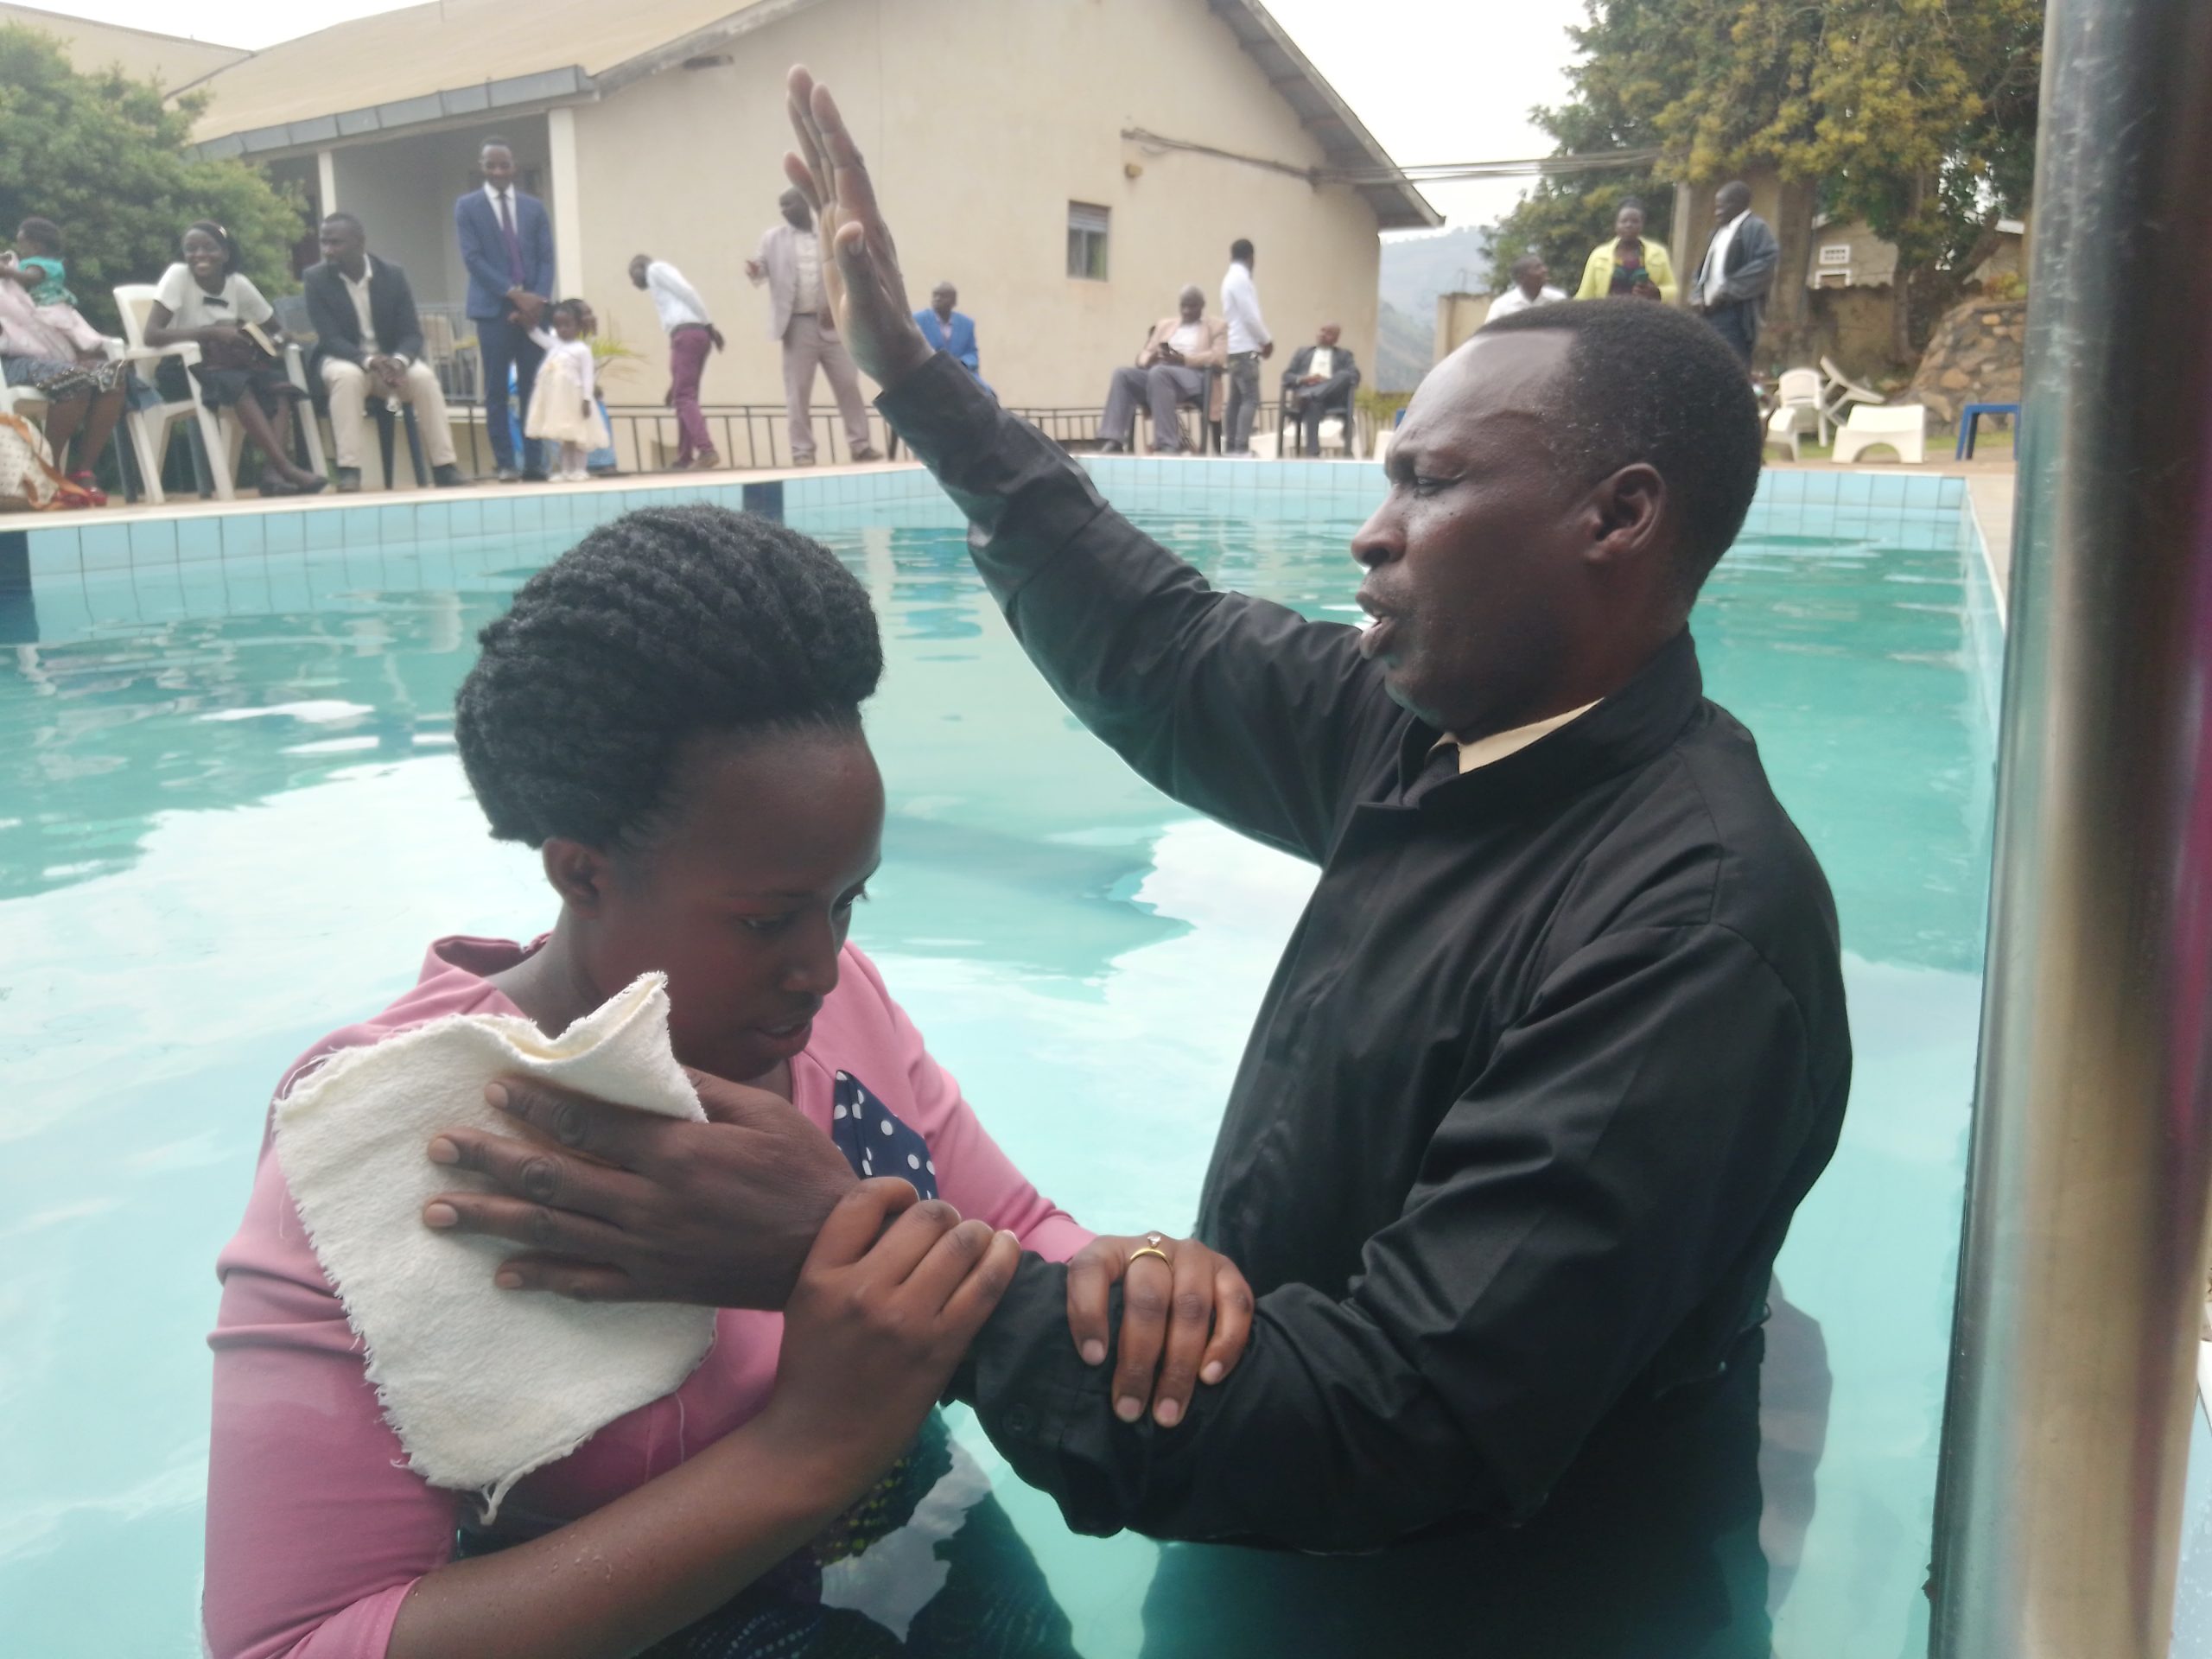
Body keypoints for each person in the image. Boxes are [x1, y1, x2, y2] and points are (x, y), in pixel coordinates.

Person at [435, 69, 1854, 1653]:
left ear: (1621, 517)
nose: (1372, 532)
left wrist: (843, 1262)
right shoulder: (1445, 737)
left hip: (1486, 1583)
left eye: (1434, 483)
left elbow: (1414, 1423)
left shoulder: (1691, 935)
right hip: (1260, 1460)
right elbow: (1159, 643)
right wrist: (913, 378)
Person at [202, 505, 1251, 1659]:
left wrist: (1137, 1279)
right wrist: (803, 1456)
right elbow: (293, 1641)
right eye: (765, 920)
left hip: (919, 1548)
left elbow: (1010, 1225)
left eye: (847, 901)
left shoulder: (836, 1000)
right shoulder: (399, 1136)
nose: (818, 966)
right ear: (583, 871)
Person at [144, 221, 326, 497]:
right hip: (182, 370)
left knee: (280, 390)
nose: (199, 254)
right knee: (240, 385)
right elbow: (151, 335)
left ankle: (272, 475)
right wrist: (212, 332)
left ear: (225, 254)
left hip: (229, 366)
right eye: (191, 249)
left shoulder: (238, 284)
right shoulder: (178, 276)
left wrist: (272, 343)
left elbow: (280, 331)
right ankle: (286, 468)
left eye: (208, 248)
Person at [302, 213, 467, 492]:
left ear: (360, 243)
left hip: (392, 363)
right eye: (325, 243)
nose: (328, 250)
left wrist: (399, 361)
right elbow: (330, 339)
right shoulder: (316, 278)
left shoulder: (392, 275)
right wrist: (368, 361)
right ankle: (349, 471)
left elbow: (412, 334)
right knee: (347, 378)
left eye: (336, 243)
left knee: (424, 379)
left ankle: (445, 467)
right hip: (346, 360)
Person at [746, 186, 880, 466]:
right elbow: (760, 268)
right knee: (798, 391)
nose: (784, 210)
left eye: (788, 204)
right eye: (780, 206)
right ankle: (802, 452)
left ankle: (861, 445)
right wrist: (754, 270)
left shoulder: (828, 233)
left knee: (848, 384)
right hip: (796, 326)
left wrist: (840, 304)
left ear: (804, 203)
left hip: (834, 324)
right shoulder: (773, 239)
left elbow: (848, 269)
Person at [454, 137, 555, 483]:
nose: (498, 171)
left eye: (504, 165)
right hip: (492, 310)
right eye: (490, 165)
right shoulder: (467, 207)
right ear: (482, 167)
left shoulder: (534, 208)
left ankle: (534, 462)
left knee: (533, 387)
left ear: (514, 166)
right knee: (497, 390)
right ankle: (505, 463)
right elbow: (473, 259)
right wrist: (514, 295)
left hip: (534, 312)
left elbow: (545, 257)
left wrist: (537, 299)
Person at [1096, 285, 1225, 454]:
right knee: (1122, 374)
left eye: (1192, 306)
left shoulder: (1216, 326)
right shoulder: (1165, 325)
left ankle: (1167, 443)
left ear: (1202, 305)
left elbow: (1219, 357)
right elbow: (1143, 354)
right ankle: (1113, 439)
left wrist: (1184, 359)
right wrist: (1152, 357)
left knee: (1159, 373)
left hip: (1193, 375)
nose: (1186, 311)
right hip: (1160, 373)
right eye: (1183, 306)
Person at [627, 252, 723, 472]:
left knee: (684, 397)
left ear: (640, 267)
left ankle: (706, 450)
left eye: (632, 274)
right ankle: (685, 457)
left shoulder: (655, 270)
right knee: (684, 397)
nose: (633, 282)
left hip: (687, 334)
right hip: (693, 336)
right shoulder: (658, 283)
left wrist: (709, 323)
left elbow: (687, 292)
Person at [1690, 181, 1780, 366]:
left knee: (1733, 365)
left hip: (1734, 315)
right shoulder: (1718, 232)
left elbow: (1766, 264)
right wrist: (1697, 295)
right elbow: (1703, 272)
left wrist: (1727, 292)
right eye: (1716, 207)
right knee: (1708, 364)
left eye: (1722, 207)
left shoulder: (1755, 228)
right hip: (1708, 313)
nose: (1717, 212)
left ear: (1740, 203)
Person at [523, 299, 610, 482]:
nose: (563, 329)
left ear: (578, 326)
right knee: (566, 438)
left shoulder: (582, 349)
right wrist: (527, 324)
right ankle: (566, 470)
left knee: (577, 435)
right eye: (559, 326)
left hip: (575, 398)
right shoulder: (555, 345)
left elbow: (588, 376)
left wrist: (586, 399)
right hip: (560, 400)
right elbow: (537, 336)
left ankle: (580, 469)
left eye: (568, 325)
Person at [0, 218, 106, 355]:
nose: (19, 248)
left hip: (46, 307)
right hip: (58, 305)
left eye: (22, 243)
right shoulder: (54, 264)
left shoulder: (36, 264)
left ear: (36, 246)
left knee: (55, 332)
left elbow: (29, 278)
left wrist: (7, 271)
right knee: (72, 330)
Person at [1219, 238, 1272, 454]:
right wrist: (1266, 340)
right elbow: (1250, 316)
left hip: (1233, 348)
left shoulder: (1229, 278)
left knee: (1235, 400)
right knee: (1250, 399)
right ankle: (1240, 446)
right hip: (1245, 348)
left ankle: (1230, 444)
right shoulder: (1241, 279)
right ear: (1251, 258)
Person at [1278, 322, 1360, 457]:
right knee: (1313, 404)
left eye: (1328, 333)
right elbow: (1287, 376)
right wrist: (1305, 379)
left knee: (1344, 375)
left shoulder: (1344, 355)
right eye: (1321, 331)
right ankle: (1313, 454)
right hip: (1308, 392)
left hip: (1331, 397)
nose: (1322, 335)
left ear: (1336, 338)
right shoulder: (1303, 352)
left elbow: (1354, 377)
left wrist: (1329, 382)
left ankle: (1313, 394)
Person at [1574, 199, 1678, 303]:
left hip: (1646, 316)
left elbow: (1673, 289)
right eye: (1624, 221)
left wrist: (1657, 292)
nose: (1629, 225)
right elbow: (1585, 294)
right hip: (1607, 316)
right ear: (1616, 225)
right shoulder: (1599, 255)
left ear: (1642, 225)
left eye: (1635, 221)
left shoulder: (1658, 253)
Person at [913, 280, 990, 395]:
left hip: (959, 374)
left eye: (943, 296)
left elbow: (972, 353)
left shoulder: (967, 324)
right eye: (935, 295)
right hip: (928, 375)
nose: (937, 299)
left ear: (954, 301)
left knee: (988, 394)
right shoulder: (918, 320)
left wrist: (962, 363)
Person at [1488, 252, 1567, 321]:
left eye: (1543, 266)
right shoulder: (1502, 306)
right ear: (1522, 277)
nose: (1545, 270)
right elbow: (1489, 335)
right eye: (1537, 268)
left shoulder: (1558, 300)